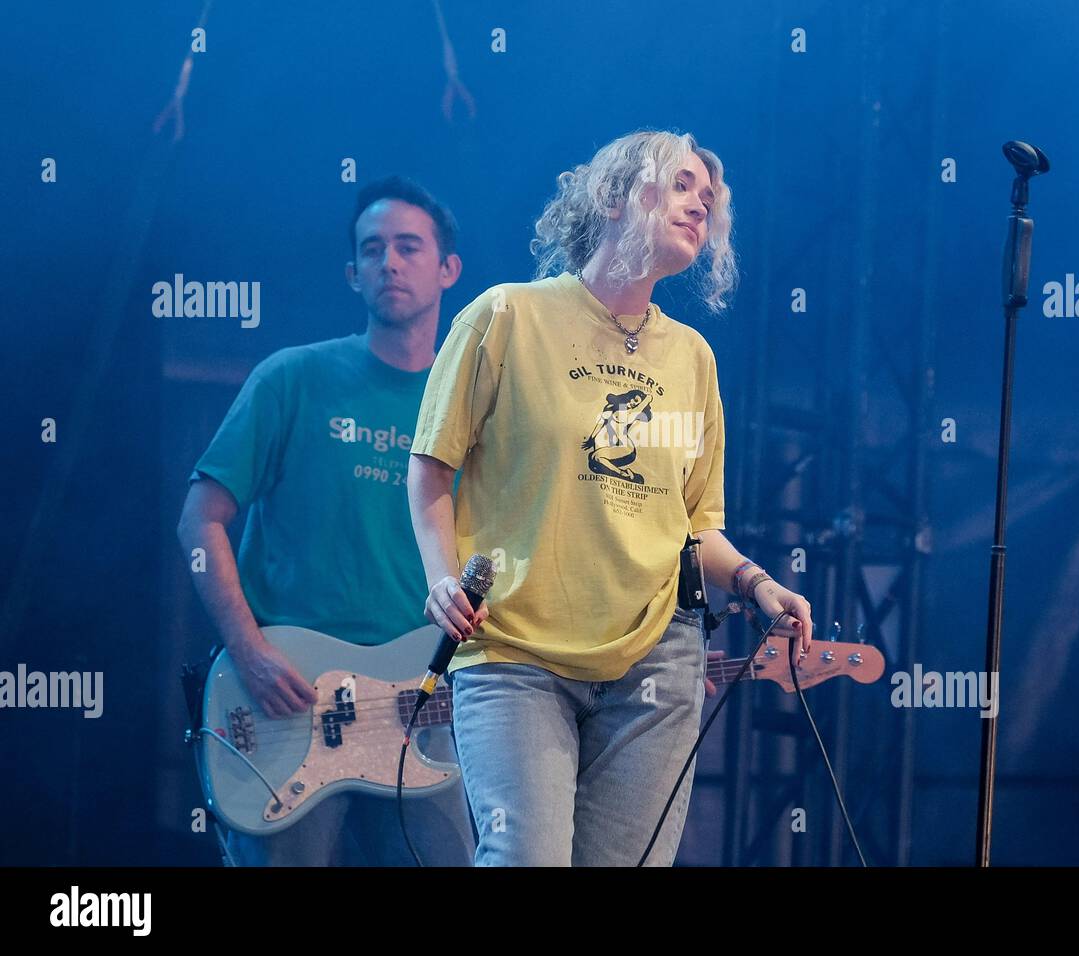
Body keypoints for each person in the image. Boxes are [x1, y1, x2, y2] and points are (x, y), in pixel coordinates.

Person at [407, 130, 814, 866]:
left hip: (657, 661)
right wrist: (443, 579)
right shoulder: (506, 316)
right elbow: (431, 468)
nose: (701, 204)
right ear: (615, 195)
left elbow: (695, 526)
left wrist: (757, 583)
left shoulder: (691, 356)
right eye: (681, 184)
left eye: (709, 197)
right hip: (514, 649)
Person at [177, 175, 475, 866]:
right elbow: (200, 519)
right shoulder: (293, 378)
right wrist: (247, 651)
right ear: (352, 272)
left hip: (420, 708)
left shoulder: (469, 408)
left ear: (448, 269)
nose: (389, 262)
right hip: (287, 704)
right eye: (372, 250)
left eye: (408, 247)